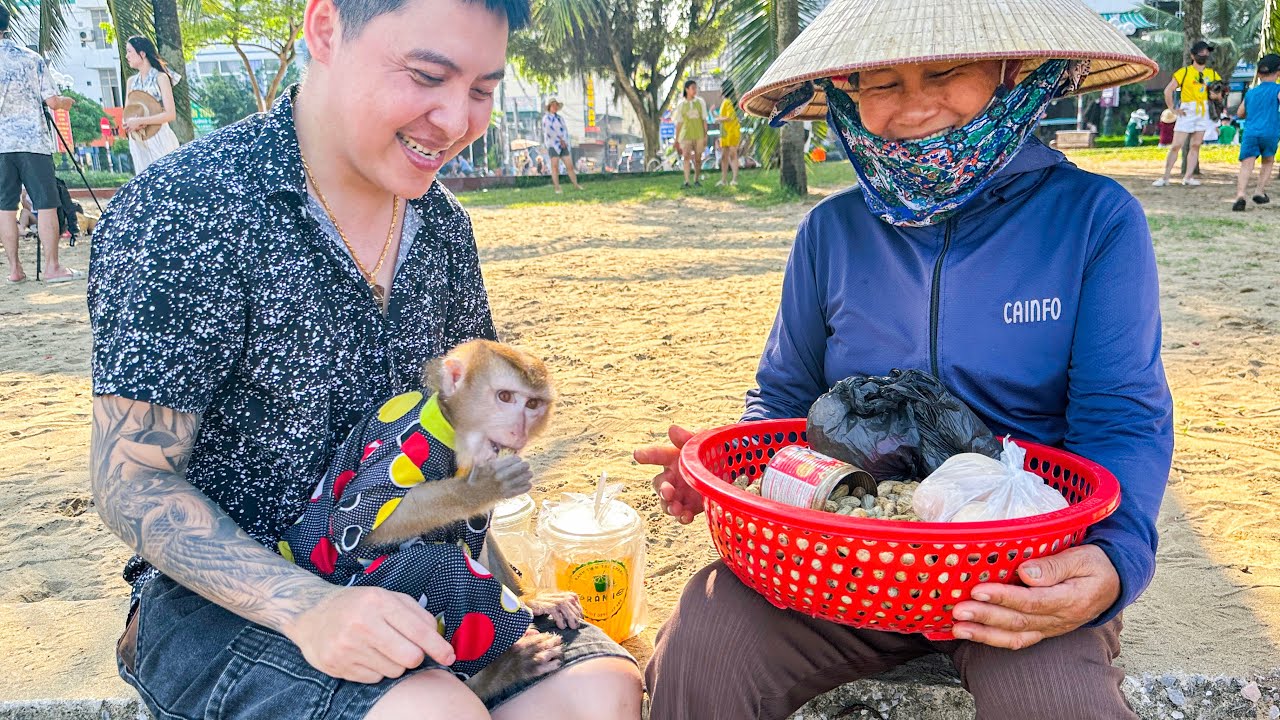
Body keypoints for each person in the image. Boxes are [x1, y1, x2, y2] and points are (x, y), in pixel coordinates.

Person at [86, 0, 643, 716]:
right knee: (434, 712)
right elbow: (130, 480)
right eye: (427, 76)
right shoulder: (190, 209)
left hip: (422, 568)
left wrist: (507, 591)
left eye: (481, 90)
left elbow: (458, 451)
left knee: (600, 689)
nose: (455, 121)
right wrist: (309, 607)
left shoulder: (441, 226)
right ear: (325, 29)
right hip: (224, 599)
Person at [636, 0, 1172, 718]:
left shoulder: (1095, 220)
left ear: (1011, 69)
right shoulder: (830, 233)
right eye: (883, 82)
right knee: (703, 648)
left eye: (946, 72)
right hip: (836, 555)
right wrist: (735, 475)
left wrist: (1114, 559)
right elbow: (783, 402)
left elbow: (1122, 417)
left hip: (1018, 566)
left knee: (1052, 703)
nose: (915, 107)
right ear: (847, 93)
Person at [0, 4, 78, 284]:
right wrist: (68, 102)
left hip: (1, 146)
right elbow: (53, 102)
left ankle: (14, 270)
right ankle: (52, 267)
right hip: (33, 141)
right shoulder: (31, 58)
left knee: (5, 208)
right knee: (46, 204)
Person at [1154, 40, 1221, 187]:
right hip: (1188, 110)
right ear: (1193, 55)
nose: (1204, 54)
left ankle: (1188, 177)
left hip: (1204, 110)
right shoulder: (1184, 72)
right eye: (1201, 52)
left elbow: (1219, 94)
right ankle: (1165, 177)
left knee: (1196, 145)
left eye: (1206, 52)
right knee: (1176, 145)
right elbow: (1168, 90)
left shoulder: (1212, 74)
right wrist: (1172, 109)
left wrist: (1216, 95)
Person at [121, 35, 181, 174]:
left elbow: (170, 114)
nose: (127, 56)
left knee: (166, 177)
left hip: (159, 136)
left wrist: (141, 121)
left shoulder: (161, 78)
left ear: (142, 53)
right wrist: (129, 124)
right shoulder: (131, 82)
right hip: (138, 140)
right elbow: (126, 114)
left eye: (130, 51)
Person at [1231, 52, 1279, 212]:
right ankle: (1259, 191)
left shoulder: (1251, 92)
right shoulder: (1277, 90)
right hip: (1270, 132)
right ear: (1278, 73)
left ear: (1258, 74)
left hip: (1251, 132)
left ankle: (1240, 195)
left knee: (1247, 164)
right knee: (1268, 161)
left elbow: (1240, 113)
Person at [541, 99, 581, 193]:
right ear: (549, 107)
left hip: (563, 145)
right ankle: (557, 188)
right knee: (555, 167)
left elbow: (565, 130)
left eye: (556, 105)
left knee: (569, 165)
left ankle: (576, 184)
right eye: (553, 105)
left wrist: (564, 141)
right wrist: (559, 140)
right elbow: (549, 132)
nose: (555, 107)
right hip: (552, 144)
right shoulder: (546, 118)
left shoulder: (560, 118)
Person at [673, 79, 708, 187]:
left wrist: (705, 135)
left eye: (695, 88)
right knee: (686, 157)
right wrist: (676, 139)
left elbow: (704, 120)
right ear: (687, 89)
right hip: (686, 135)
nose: (695, 90)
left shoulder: (700, 102)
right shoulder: (681, 104)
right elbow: (679, 123)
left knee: (698, 158)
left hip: (699, 134)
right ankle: (687, 181)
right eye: (693, 88)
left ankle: (696, 179)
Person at [715, 79, 741, 186]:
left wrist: (718, 119)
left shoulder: (728, 101)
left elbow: (729, 117)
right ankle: (724, 180)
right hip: (726, 133)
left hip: (731, 132)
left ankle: (734, 180)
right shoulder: (727, 101)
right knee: (724, 156)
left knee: (732, 155)